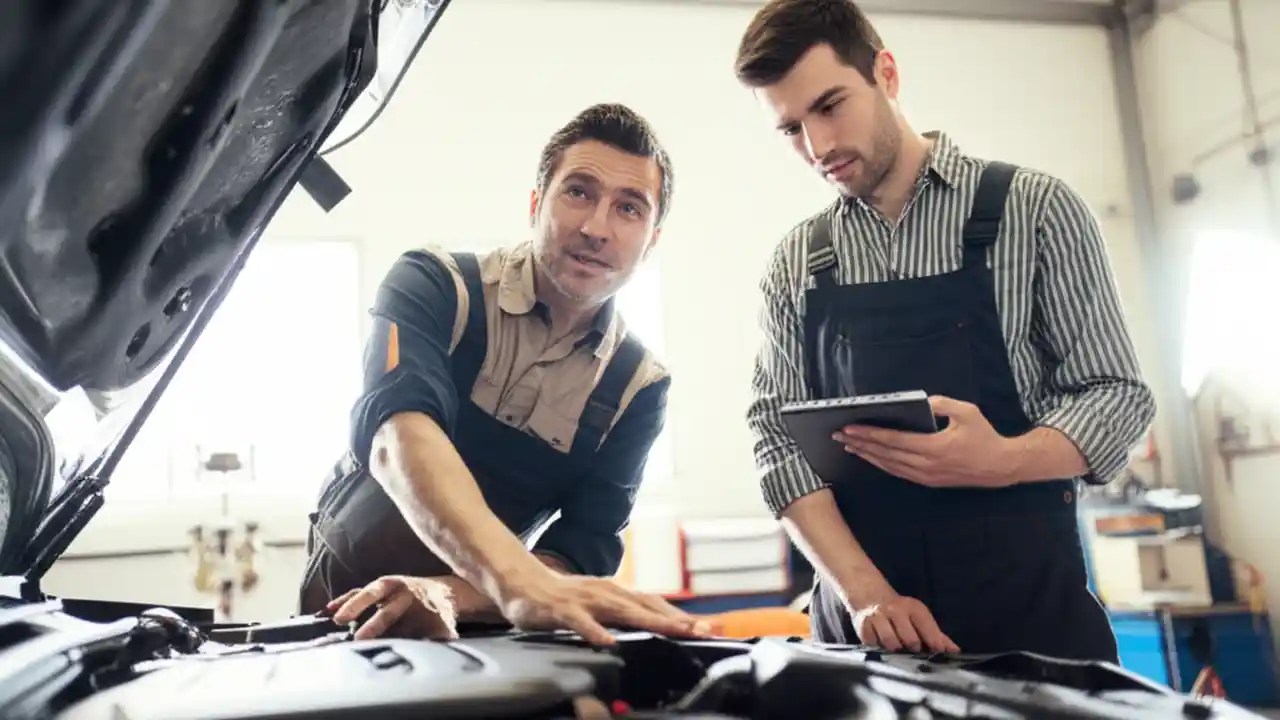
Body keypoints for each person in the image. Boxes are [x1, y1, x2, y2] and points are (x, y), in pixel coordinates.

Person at [736, 0, 1156, 662]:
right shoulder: (796, 264)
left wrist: (1001, 461)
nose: (817, 147)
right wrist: (867, 594)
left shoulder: (1036, 212)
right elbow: (775, 443)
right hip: (868, 635)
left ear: (886, 73)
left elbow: (1117, 395)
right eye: (790, 129)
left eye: (830, 106)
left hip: (1027, 620)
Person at [298, 103, 710, 646]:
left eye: (629, 209)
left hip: (478, 624)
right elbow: (397, 439)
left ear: (651, 240)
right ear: (537, 202)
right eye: (579, 192)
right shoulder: (435, 284)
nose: (596, 228)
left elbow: (577, 552)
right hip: (340, 610)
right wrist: (515, 581)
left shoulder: (639, 387)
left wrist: (450, 591)